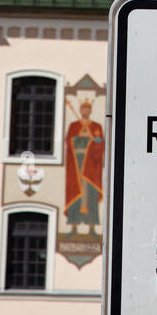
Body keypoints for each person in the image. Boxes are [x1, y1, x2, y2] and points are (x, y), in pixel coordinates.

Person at [64, 98, 104, 233]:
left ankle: (92, 227)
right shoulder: (74, 126)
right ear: (80, 111)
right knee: (75, 194)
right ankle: (74, 226)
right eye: (83, 109)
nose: (85, 111)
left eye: (88, 109)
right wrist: (79, 137)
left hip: (90, 166)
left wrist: (92, 138)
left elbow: (100, 143)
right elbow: (69, 142)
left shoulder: (96, 127)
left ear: (90, 110)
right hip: (76, 164)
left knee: (91, 195)